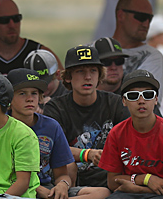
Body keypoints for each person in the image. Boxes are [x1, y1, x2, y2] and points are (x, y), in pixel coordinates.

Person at [7, 68, 107, 199]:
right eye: (22, 93)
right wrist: (38, 189)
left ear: (41, 97)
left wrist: (62, 186)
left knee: (103, 193)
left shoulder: (51, 126)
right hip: (14, 189)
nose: (30, 98)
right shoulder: (3, 127)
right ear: (8, 99)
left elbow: (62, 174)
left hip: (49, 189)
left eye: (34, 93)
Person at [100, 70, 163, 199]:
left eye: (148, 95)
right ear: (124, 101)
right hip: (128, 195)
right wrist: (146, 179)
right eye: (133, 96)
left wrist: (138, 188)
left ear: (156, 100)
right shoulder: (116, 133)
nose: (141, 101)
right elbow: (112, 182)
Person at [43, 45, 128, 189]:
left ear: (100, 75)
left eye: (93, 71)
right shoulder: (55, 108)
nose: (88, 77)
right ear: (68, 77)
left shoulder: (115, 103)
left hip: (109, 176)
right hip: (71, 181)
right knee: (68, 165)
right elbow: (54, 149)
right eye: (80, 71)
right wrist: (86, 154)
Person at [111, 0, 163, 99]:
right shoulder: (93, 50)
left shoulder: (152, 56)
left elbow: (144, 101)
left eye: (149, 18)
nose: (146, 24)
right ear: (121, 15)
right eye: (141, 17)